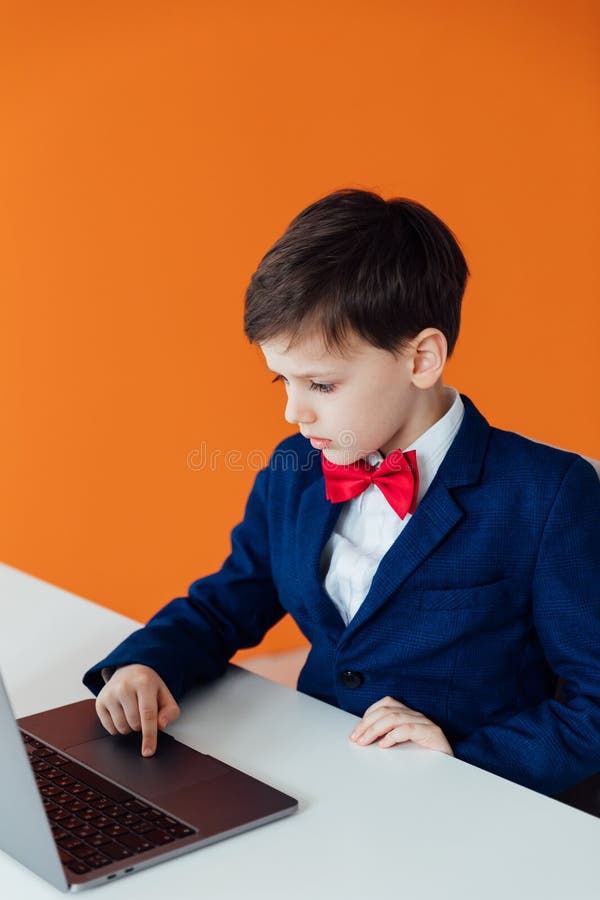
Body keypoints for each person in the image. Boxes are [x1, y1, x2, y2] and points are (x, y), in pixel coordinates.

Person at [83, 188, 600, 797]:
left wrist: (461, 757)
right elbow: (229, 600)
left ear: (422, 358)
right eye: (282, 379)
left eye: (321, 384)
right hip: (318, 778)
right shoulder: (294, 468)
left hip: (467, 802)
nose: (291, 411)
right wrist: (147, 663)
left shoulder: (548, 495)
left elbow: (592, 704)